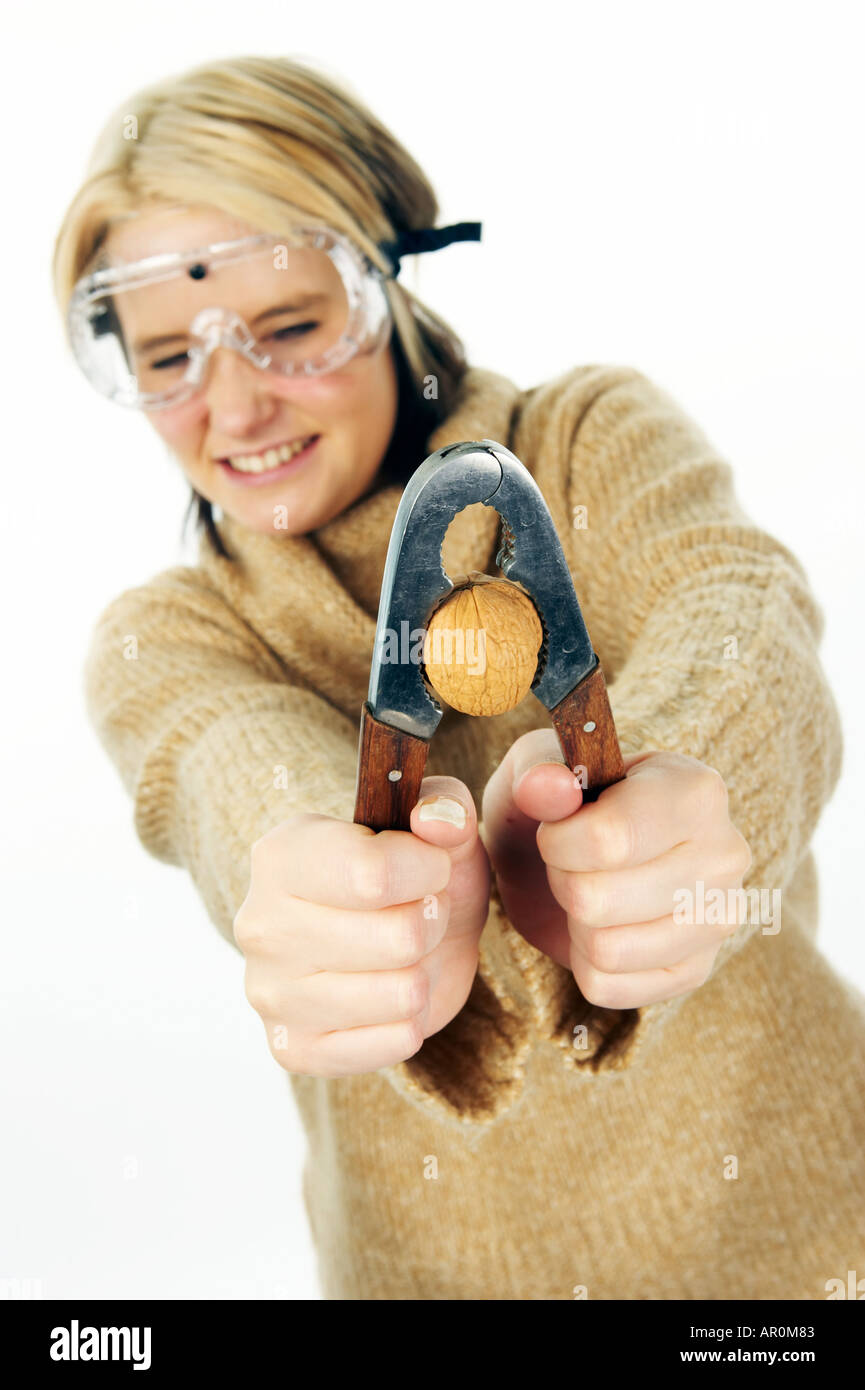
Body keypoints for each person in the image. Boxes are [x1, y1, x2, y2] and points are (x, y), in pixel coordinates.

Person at [52, 54, 865, 1301]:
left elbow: (742, 613)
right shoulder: (168, 636)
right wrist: (335, 880)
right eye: (164, 358)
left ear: (386, 284)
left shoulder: (592, 439)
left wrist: (681, 774)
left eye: (289, 328)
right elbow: (227, 769)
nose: (233, 404)